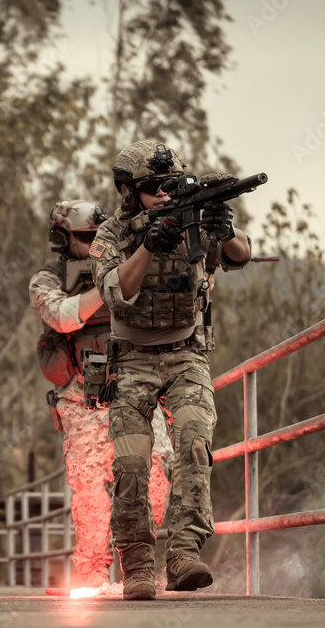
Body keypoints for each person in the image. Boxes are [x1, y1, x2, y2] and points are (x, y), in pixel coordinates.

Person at [89, 140, 251, 600]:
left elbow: (240, 256)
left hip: (186, 353)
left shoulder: (192, 219)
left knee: (195, 441)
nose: (164, 194)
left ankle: (182, 553)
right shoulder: (111, 235)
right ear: (130, 192)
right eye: (153, 187)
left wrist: (226, 228)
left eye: (171, 185)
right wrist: (148, 245)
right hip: (132, 358)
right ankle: (138, 565)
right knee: (132, 464)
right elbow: (116, 291)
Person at [29, 200, 173, 590]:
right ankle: (93, 573)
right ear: (63, 239)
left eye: (98, 237)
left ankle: (133, 560)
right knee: (90, 488)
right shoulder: (49, 278)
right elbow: (60, 315)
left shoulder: (127, 263)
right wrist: (109, 289)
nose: (93, 244)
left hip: (136, 383)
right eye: (83, 238)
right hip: (82, 395)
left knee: (158, 472)